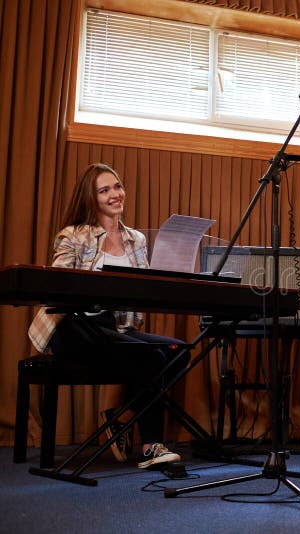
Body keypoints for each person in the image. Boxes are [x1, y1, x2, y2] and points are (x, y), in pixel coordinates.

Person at [28, 163, 186, 469]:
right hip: (73, 325)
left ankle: (122, 419)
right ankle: (152, 446)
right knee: (149, 358)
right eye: (105, 190)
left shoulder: (137, 240)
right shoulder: (72, 236)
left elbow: (142, 292)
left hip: (116, 328)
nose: (115, 194)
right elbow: (58, 286)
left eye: (117, 186)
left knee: (177, 352)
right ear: (92, 198)